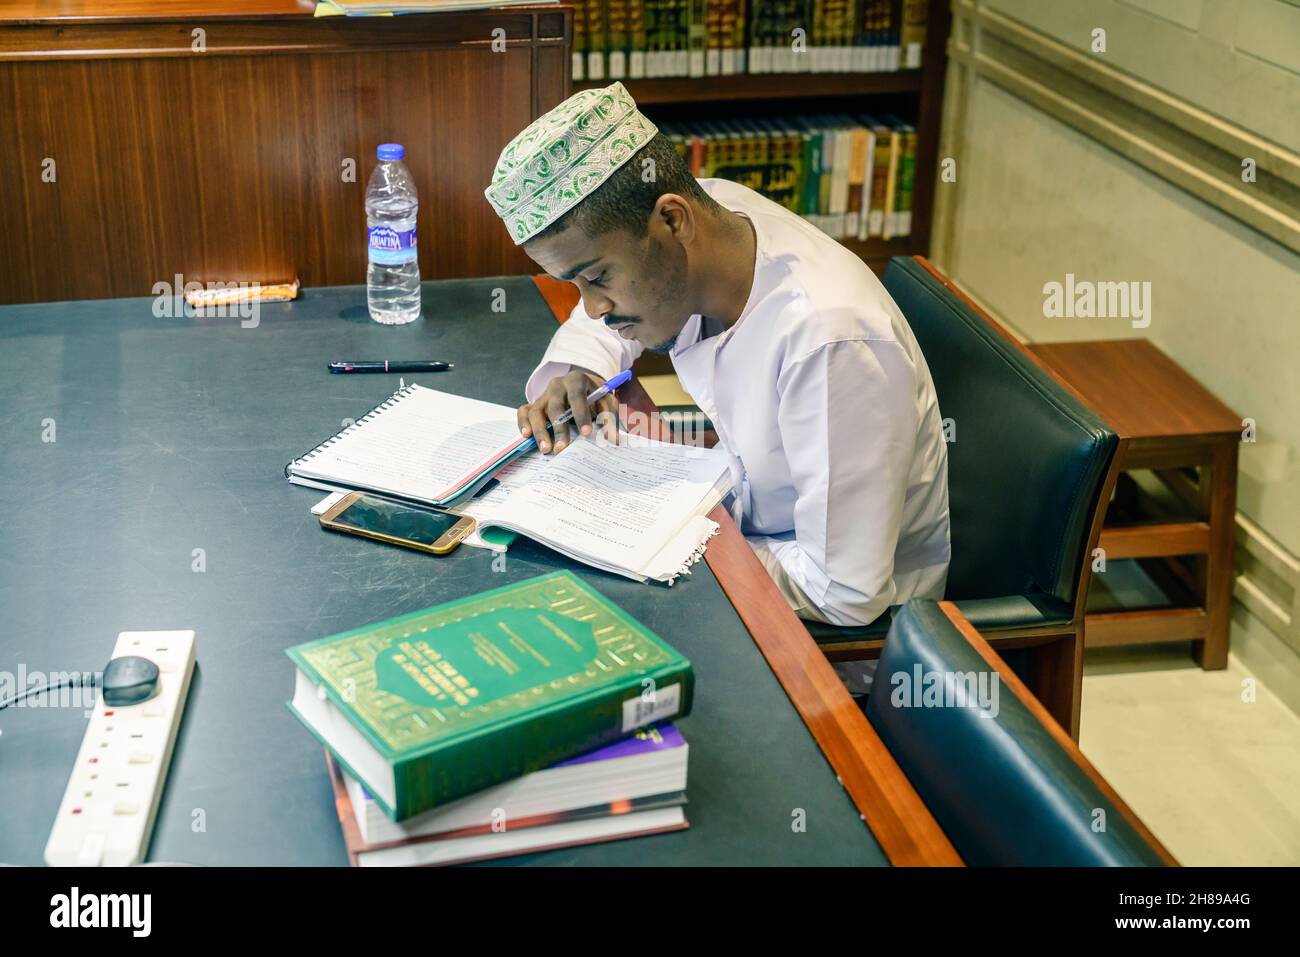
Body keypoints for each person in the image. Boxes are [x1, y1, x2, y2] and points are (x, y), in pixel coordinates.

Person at [484, 83, 950, 692]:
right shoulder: (719, 217)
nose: (593, 307)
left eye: (596, 277)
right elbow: (607, 311)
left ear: (673, 219)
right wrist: (583, 367)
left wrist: (668, 544)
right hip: (746, 538)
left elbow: (846, 595)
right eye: (574, 285)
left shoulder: (831, 340)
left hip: (835, 655)